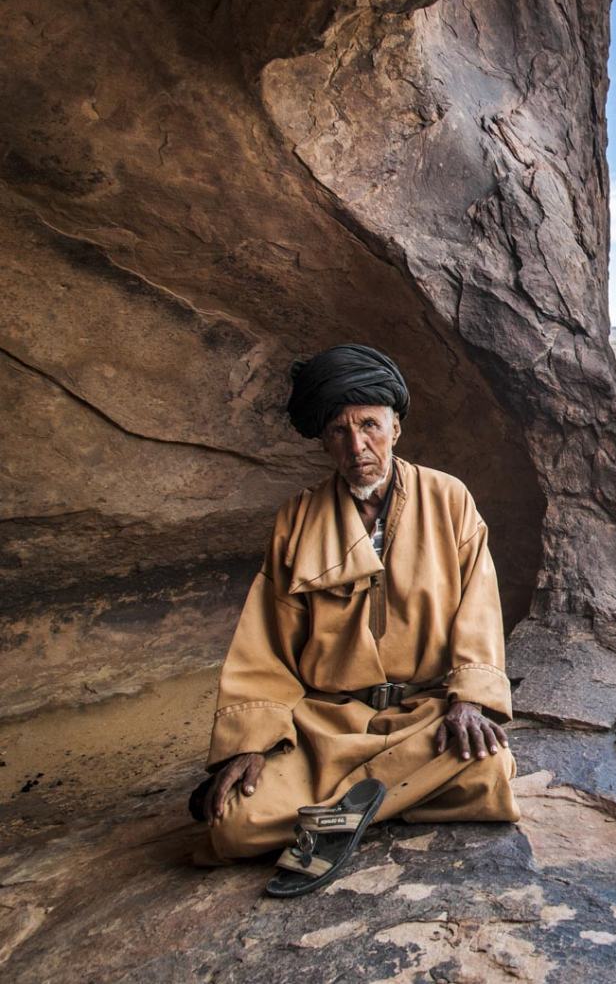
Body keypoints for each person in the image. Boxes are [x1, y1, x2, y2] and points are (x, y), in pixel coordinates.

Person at [193, 344, 518, 894]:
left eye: (369, 425)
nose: (357, 444)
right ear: (324, 441)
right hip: (326, 725)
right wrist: (251, 740)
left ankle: (336, 815)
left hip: (424, 715)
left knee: (488, 774)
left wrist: (469, 699)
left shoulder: (448, 498)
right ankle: (382, 803)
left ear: (396, 428)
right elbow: (265, 643)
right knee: (232, 827)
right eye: (339, 431)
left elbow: (478, 603)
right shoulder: (296, 517)